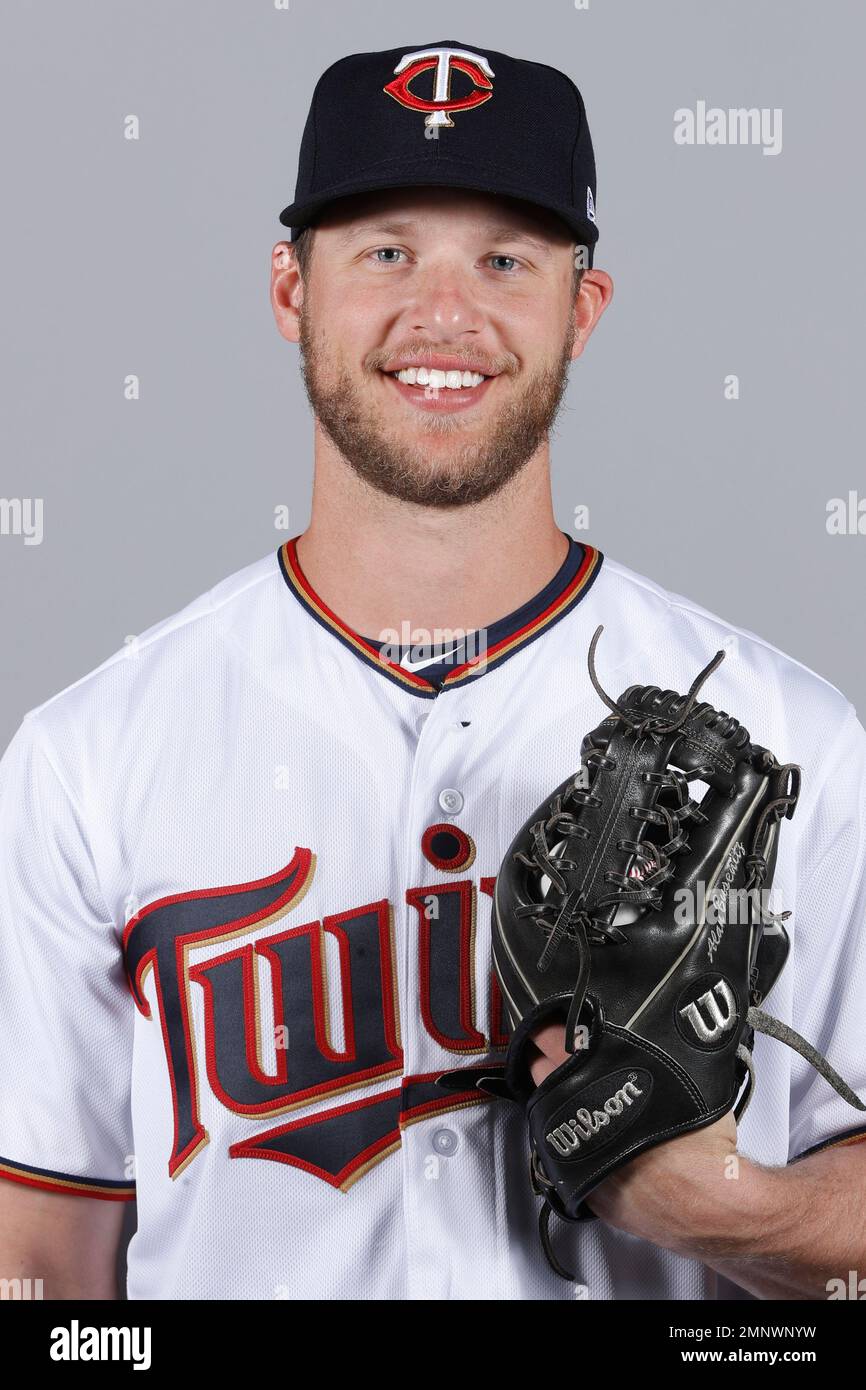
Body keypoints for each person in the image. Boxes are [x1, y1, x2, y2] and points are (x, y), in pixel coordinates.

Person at [0, 39, 863, 1302]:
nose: (443, 315)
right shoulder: (89, 756)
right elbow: (40, 1258)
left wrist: (727, 1208)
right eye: (387, 251)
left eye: (505, 260)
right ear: (292, 289)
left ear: (584, 305)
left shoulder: (798, 744)